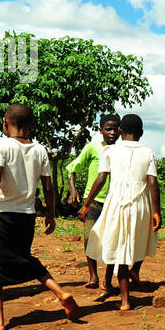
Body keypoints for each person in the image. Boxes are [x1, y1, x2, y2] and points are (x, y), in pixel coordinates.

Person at [0, 104, 79, 330]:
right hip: (26, 216)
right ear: (32, 126)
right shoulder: (40, 150)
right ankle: (60, 292)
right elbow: (49, 187)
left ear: (5, 123)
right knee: (24, 257)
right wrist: (51, 215)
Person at [78, 114, 159, 312]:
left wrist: (86, 203)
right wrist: (157, 212)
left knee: (120, 250)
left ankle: (125, 300)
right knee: (129, 246)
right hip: (141, 205)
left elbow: (100, 179)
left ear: (120, 130)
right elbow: (152, 183)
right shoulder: (148, 152)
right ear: (141, 133)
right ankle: (126, 280)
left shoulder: (109, 152)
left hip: (117, 204)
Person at [66, 114, 121, 293]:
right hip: (94, 202)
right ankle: (93, 276)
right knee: (90, 239)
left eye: (115, 129)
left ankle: (107, 279)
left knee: (112, 242)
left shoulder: (122, 150)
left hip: (114, 202)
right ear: (101, 130)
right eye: (108, 129)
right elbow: (72, 168)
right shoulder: (92, 148)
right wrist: (73, 190)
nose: (112, 133)